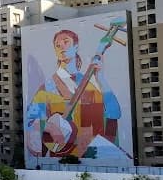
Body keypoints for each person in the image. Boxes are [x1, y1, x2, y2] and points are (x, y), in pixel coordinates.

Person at [26, 28, 121, 158]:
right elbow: (30, 122)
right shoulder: (47, 88)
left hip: (96, 156)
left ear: (76, 46)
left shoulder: (90, 84)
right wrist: (49, 127)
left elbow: (114, 114)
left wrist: (101, 79)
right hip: (63, 158)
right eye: (57, 45)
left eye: (66, 42)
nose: (62, 47)